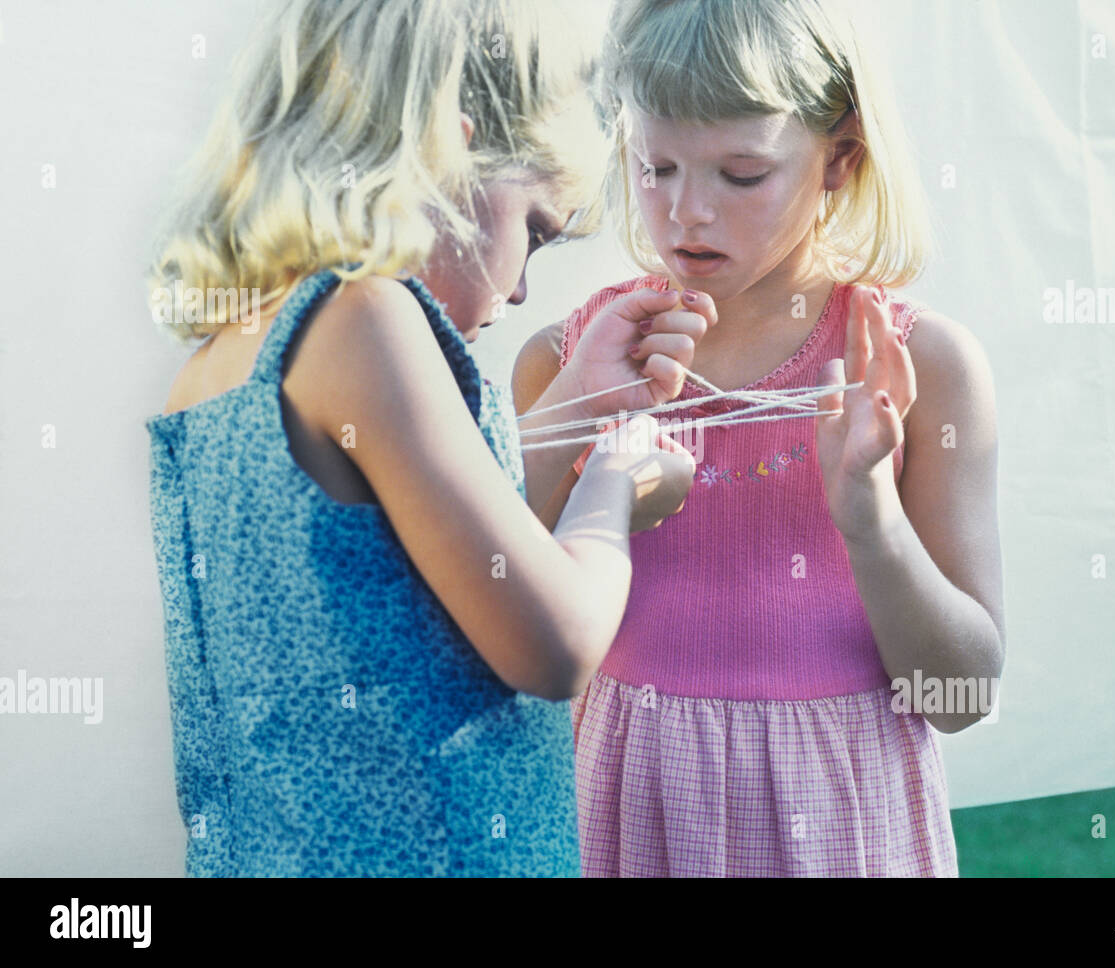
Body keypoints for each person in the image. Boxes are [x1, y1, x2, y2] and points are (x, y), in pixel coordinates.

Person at [142, 0, 704, 876]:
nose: (521, 291)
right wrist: (615, 487)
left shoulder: (228, 356)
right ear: (444, 159)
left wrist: (583, 401)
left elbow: (429, 564)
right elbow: (552, 644)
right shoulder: (368, 320)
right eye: (536, 231)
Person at [512, 0, 1006, 876]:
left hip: (843, 826)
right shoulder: (568, 361)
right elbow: (474, 605)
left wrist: (872, 522)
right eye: (654, 165)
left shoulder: (922, 367)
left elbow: (962, 696)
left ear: (840, 162)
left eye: (741, 175)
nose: (686, 213)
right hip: (626, 818)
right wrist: (565, 425)